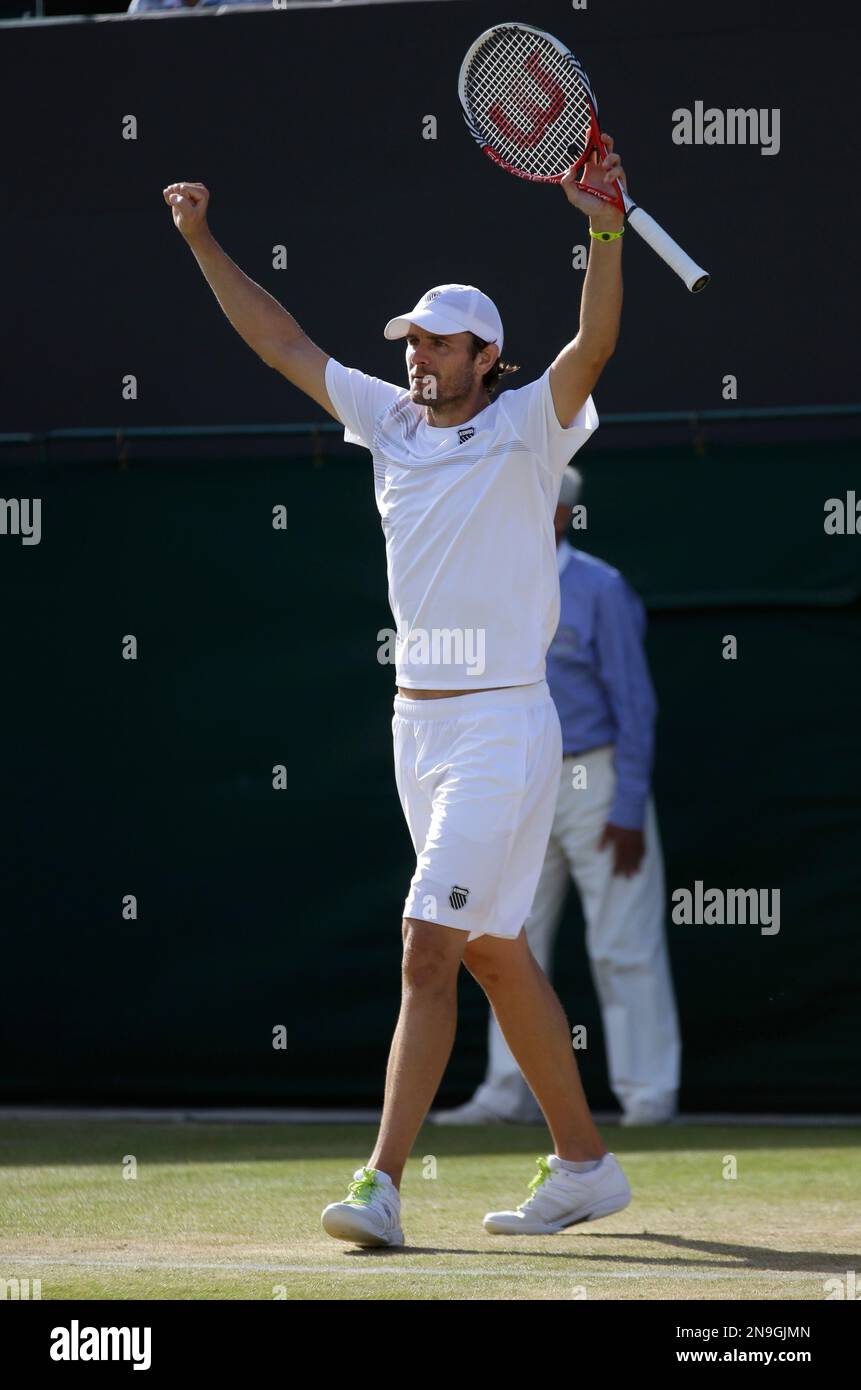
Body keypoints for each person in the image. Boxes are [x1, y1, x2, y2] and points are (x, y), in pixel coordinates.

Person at [163, 134, 633, 1247]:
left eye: (437, 341)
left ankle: (380, 1183)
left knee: (428, 939)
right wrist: (200, 238)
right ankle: (585, 1164)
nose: (416, 354)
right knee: (493, 949)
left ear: (488, 355)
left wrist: (605, 229)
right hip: (413, 728)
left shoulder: (529, 426)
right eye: (411, 340)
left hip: (503, 727)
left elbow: (596, 343)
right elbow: (281, 340)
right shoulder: (388, 421)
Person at [434, 465, 681, 1130]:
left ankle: (648, 1096)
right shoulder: (484, 583)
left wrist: (627, 807)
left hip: (594, 782)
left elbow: (634, 705)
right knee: (501, 936)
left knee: (621, 941)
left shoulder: (600, 588)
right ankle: (505, 1092)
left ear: (560, 516)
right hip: (512, 780)